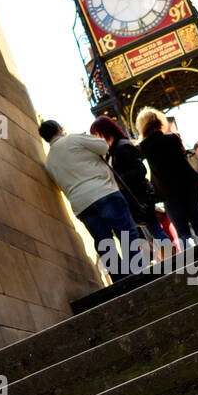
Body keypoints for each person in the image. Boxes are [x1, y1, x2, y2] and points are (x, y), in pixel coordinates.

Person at [39, 119, 143, 279]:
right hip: (104, 192)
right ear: (60, 129)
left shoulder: (49, 162)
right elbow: (103, 146)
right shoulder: (73, 138)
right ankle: (137, 274)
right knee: (126, 234)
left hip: (82, 205)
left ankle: (123, 280)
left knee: (105, 244)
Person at [89, 115, 170, 245]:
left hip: (139, 197)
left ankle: (173, 260)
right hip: (134, 198)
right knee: (153, 233)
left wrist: (119, 180)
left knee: (155, 231)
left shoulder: (122, 146)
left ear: (105, 131)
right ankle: (170, 259)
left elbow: (139, 170)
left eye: (97, 134)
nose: (97, 138)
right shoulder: (112, 150)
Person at [136, 107, 198, 245]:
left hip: (168, 193)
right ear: (160, 121)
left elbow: (137, 165)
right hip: (189, 187)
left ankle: (195, 264)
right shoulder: (173, 138)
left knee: (183, 233)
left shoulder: (143, 147)